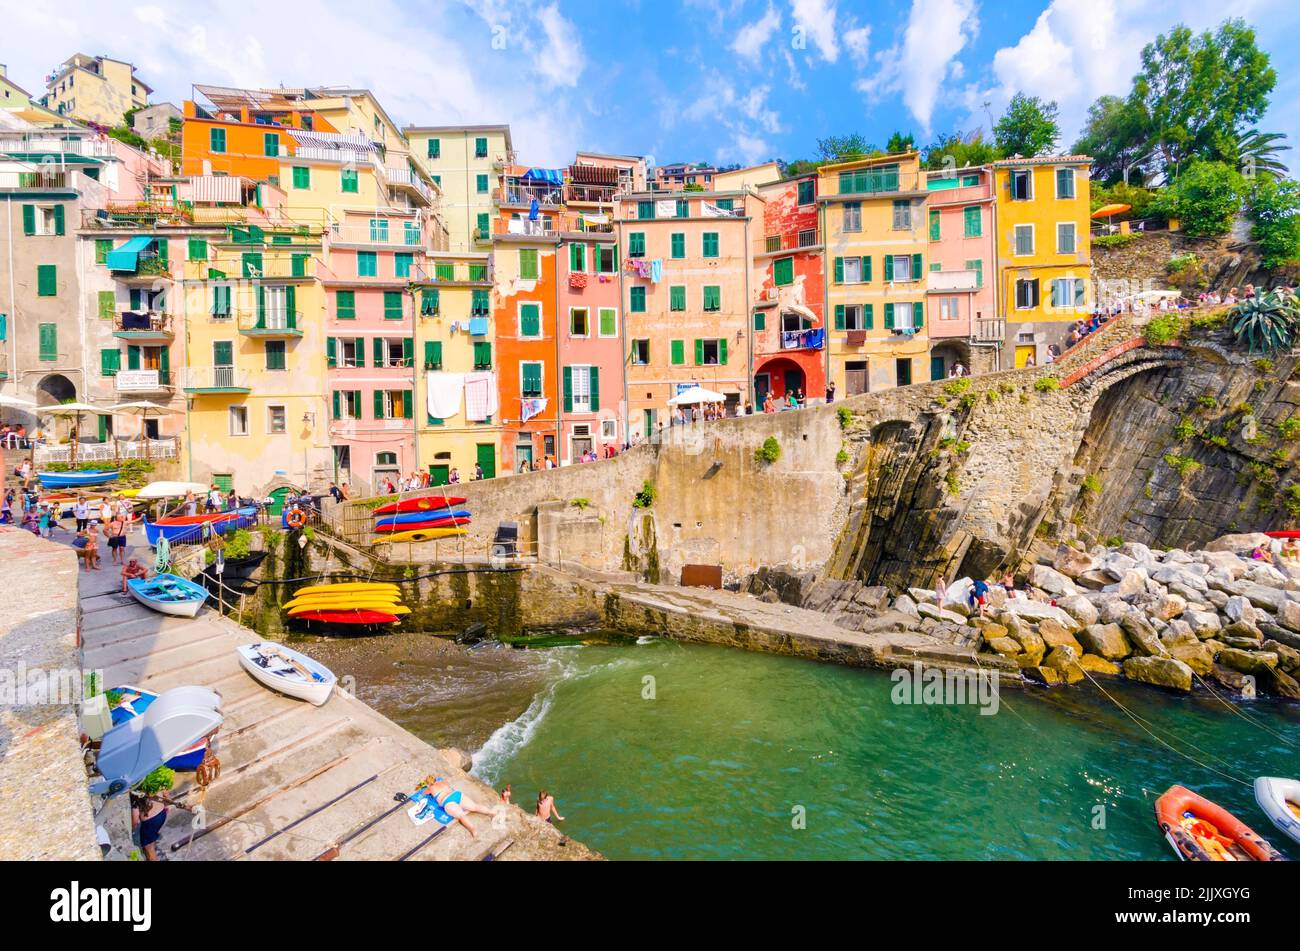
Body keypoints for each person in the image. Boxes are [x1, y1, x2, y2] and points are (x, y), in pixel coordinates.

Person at [413, 776, 496, 839]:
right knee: (474, 806)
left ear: (428, 783)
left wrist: (424, 786)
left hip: (447, 801)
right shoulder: (443, 782)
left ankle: (473, 830)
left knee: (461, 816)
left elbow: (423, 793)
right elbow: (446, 782)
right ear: (435, 779)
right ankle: (491, 812)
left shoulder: (430, 788)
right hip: (456, 795)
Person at [131, 789, 170, 861]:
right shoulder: (154, 784)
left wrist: (132, 829)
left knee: (149, 849)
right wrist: (166, 806)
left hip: (149, 822)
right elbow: (166, 793)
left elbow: (135, 818)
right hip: (162, 814)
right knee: (152, 838)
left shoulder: (135, 793)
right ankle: (152, 843)